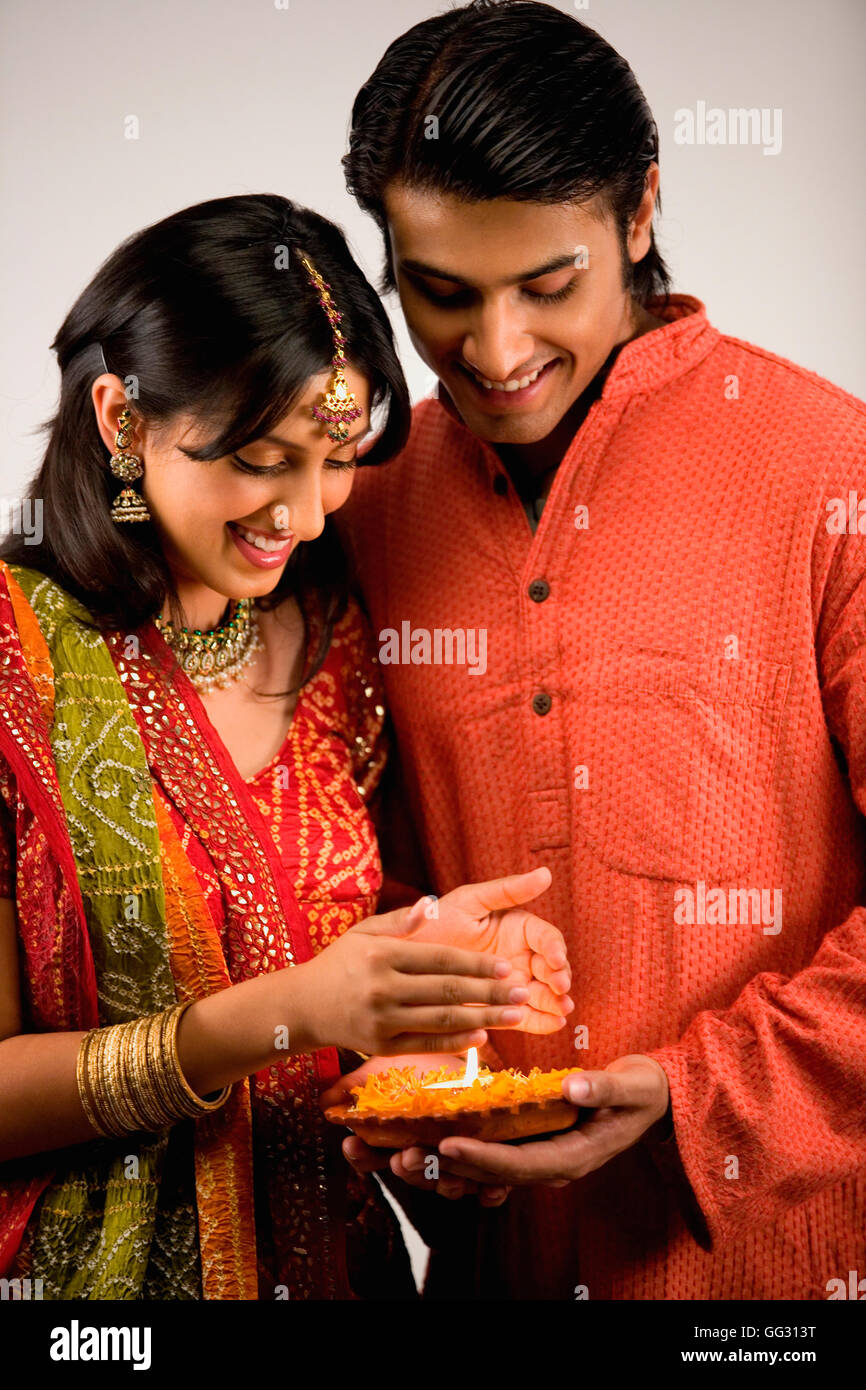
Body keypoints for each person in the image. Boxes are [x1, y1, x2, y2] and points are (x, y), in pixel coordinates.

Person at [327, 0, 866, 1300]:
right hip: (486, 1272)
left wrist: (691, 1095)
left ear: (637, 214)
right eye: (440, 294)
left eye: (546, 285)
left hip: (767, 1282)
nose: (496, 353)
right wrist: (402, 1088)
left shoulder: (824, 468)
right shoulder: (362, 499)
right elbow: (349, 875)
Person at [0, 191, 573, 1300]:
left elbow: (335, 1015)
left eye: (337, 460)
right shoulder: (14, 664)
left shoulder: (332, 644)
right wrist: (285, 1013)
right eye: (263, 460)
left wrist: (434, 987)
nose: (307, 515)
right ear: (121, 422)